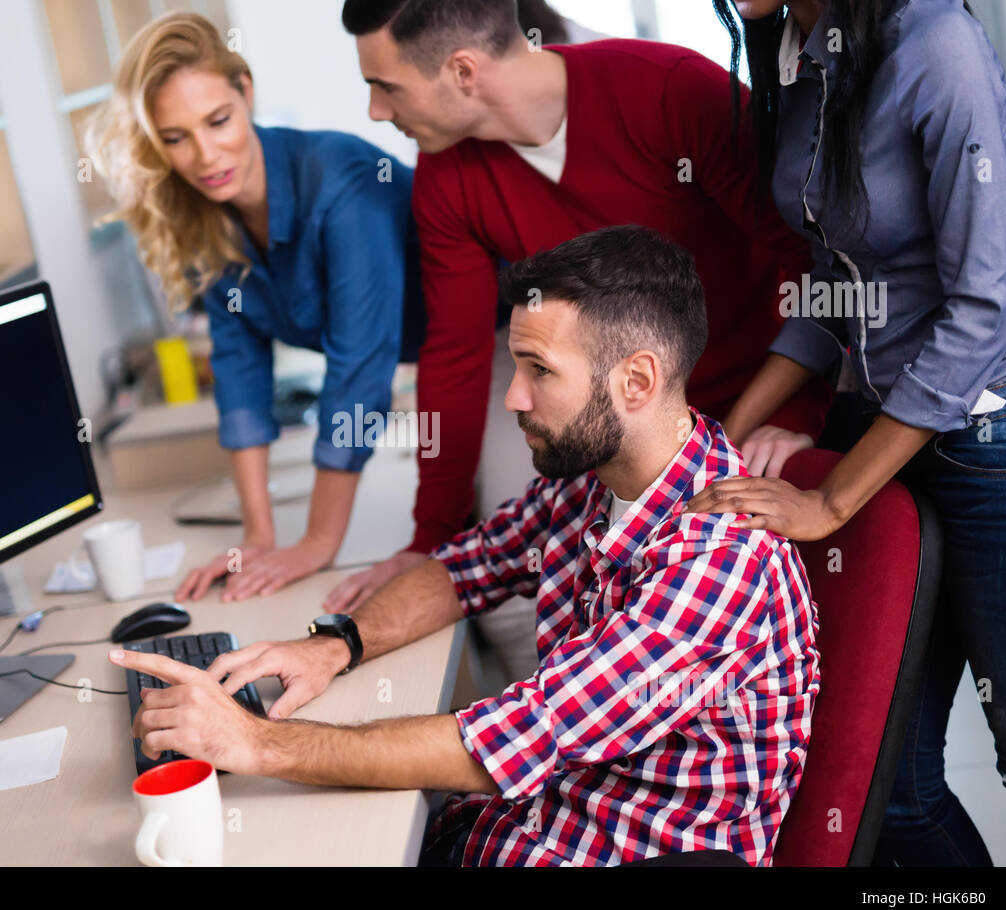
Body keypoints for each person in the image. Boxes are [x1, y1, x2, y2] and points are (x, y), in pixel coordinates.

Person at [110, 226, 821, 866]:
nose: (513, 397)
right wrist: (336, 646)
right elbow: (469, 567)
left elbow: (507, 743)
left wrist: (255, 742)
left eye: (539, 371)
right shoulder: (593, 477)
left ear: (636, 382)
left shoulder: (720, 561)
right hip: (530, 823)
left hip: (614, 851)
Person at [323, 0, 830, 688]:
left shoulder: (667, 88)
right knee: (572, 602)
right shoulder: (446, 176)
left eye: (386, 87)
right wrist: (427, 540)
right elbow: (455, 356)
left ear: (462, 70)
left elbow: (811, 262)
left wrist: (796, 417)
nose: (378, 113)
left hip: (763, 391)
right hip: (623, 426)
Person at [696, 0, 1006, 865]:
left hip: (991, 437)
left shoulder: (937, 43)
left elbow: (982, 307)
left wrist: (831, 499)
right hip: (884, 430)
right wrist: (714, 442)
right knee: (893, 790)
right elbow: (834, 288)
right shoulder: (801, 51)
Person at [88, 12, 424, 604]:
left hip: (501, 342)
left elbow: (358, 374)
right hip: (423, 368)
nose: (205, 155)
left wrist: (318, 541)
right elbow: (240, 374)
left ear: (245, 91)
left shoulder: (340, 179)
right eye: (175, 137)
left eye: (218, 121)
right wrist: (259, 536)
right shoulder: (201, 220)